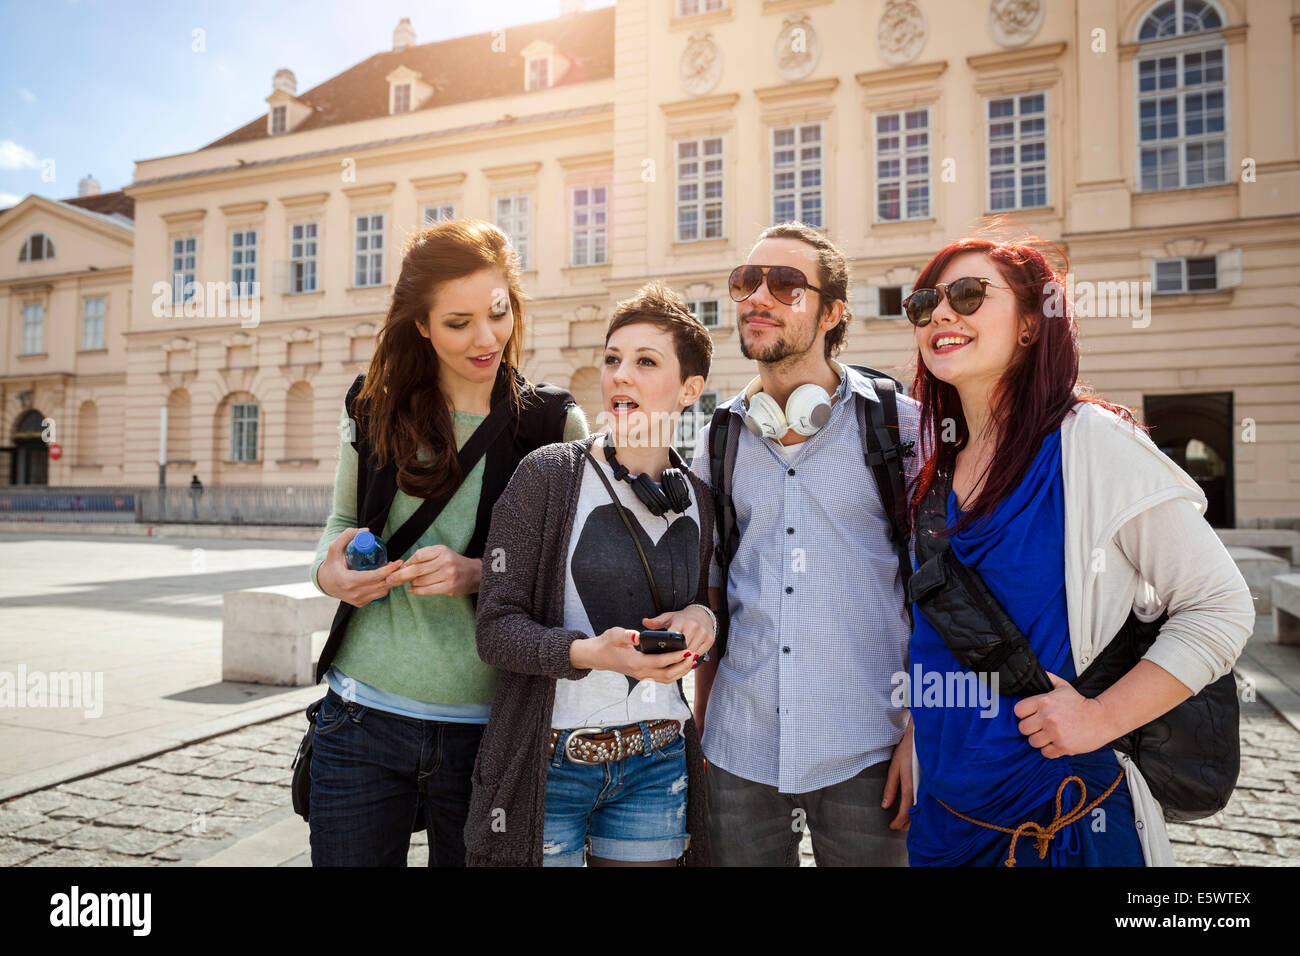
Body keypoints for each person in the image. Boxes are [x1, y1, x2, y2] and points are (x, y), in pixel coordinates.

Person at [902, 234, 1254, 867]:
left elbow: (1219, 606)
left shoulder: (1091, 441)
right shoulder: (937, 466)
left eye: (968, 295)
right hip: (945, 816)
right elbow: (937, 636)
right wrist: (915, 736)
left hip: (1059, 815)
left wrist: (1098, 718)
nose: (941, 315)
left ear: (1033, 323)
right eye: (925, 301)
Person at [307, 219, 587, 866]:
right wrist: (334, 574)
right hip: (359, 720)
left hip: (492, 736)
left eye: (498, 313)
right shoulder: (373, 406)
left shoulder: (553, 422)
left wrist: (477, 573)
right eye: (458, 322)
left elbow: (574, 571)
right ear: (422, 326)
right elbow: (337, 525)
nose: (486, 338)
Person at [687, 222, 919, 866]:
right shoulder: (718, 438)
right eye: (746, 282)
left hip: (869, 744)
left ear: (832, 313)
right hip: (740, 746)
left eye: (786, 284)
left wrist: (922, 733)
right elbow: (713, 586)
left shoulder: (901, 425)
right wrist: (704, 726)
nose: (759, 297)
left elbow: (942, 586)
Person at [467, 281, 717, 866]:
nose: (619, 375)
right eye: (613, 359)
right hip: (549, 761)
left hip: (658, 761)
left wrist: (701, 617)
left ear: (690, 389)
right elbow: (496, 630)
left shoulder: (699, 500)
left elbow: (711, 610)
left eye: (645, 362)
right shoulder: (547, 477)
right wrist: (591, 654)